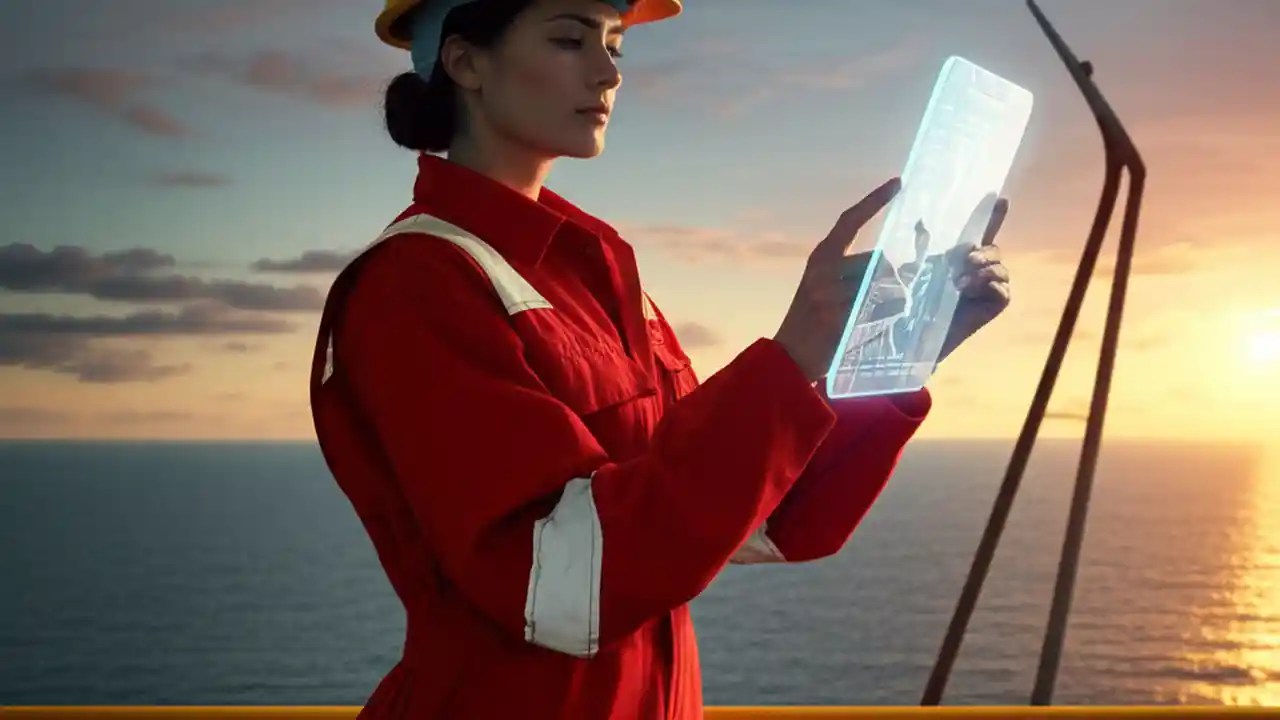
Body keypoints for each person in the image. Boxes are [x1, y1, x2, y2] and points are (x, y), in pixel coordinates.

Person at [308, 1, 1012, 718]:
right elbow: (563, 588)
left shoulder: (598, 276)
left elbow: (760, 518)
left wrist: (899, 351)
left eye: (614, 45)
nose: (608, 71)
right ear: (465, 62)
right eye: (568, 38)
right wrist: (791, 352)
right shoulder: (415, 285)